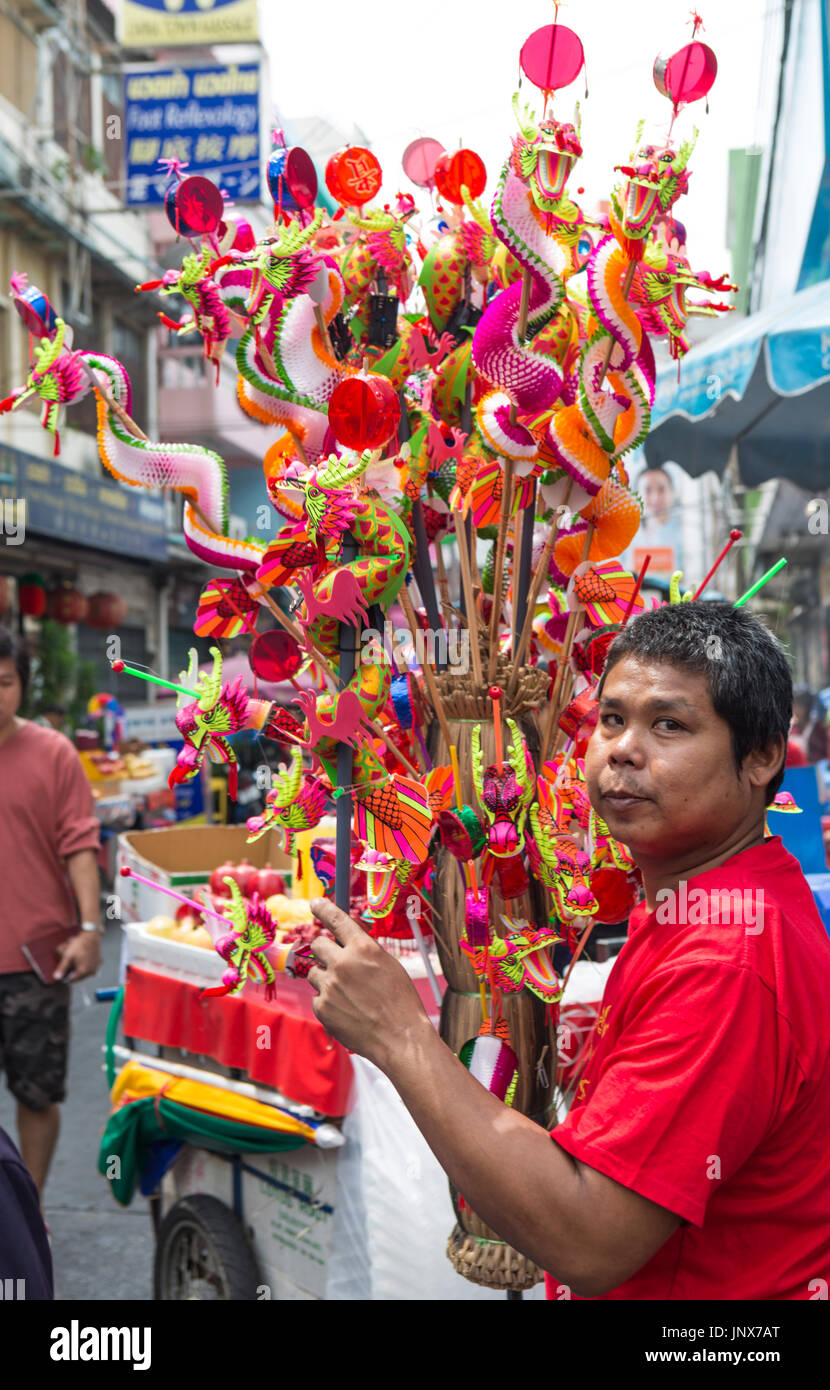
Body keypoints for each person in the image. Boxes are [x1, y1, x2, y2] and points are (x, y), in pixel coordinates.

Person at [307, 602, 830, 1299]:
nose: (621, 750)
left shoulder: (726, 959)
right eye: (612, 720)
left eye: (669, 725)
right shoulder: (694, 897)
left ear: (763, 756)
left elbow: (590, 1239)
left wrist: (399, 1035)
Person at [0, 627, 102, 1202]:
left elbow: (80, 846)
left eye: (5, 682)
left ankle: (29, 1210)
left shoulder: (53, 753)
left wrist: (90, 931)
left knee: (37, 1093)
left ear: (22, 685)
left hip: (34, 959)